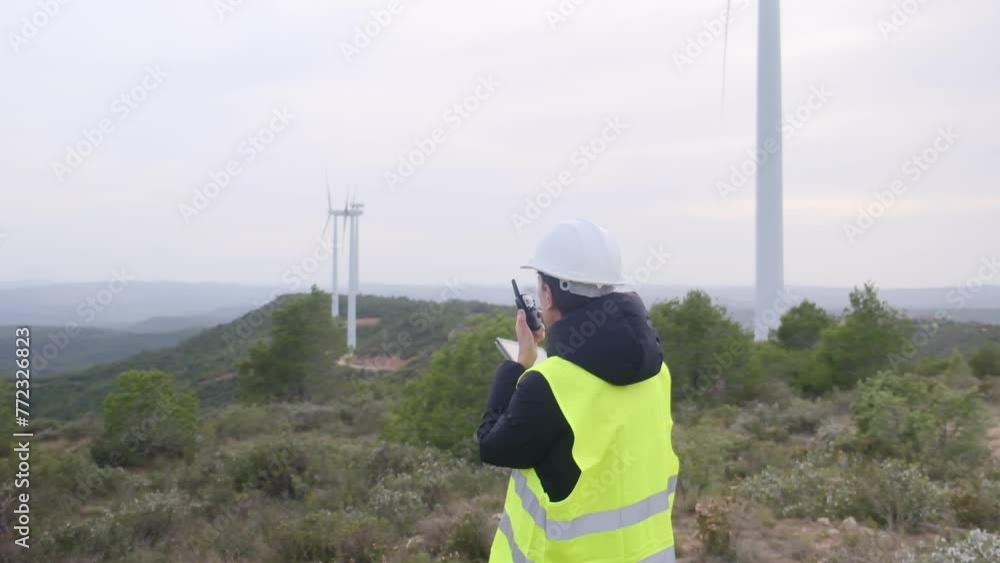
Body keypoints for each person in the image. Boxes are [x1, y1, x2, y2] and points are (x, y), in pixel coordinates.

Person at [478, 219, 679, 563]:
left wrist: (518, 364)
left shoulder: (548, 383)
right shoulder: (657, 372)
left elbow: (492, 445)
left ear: (548, 295)